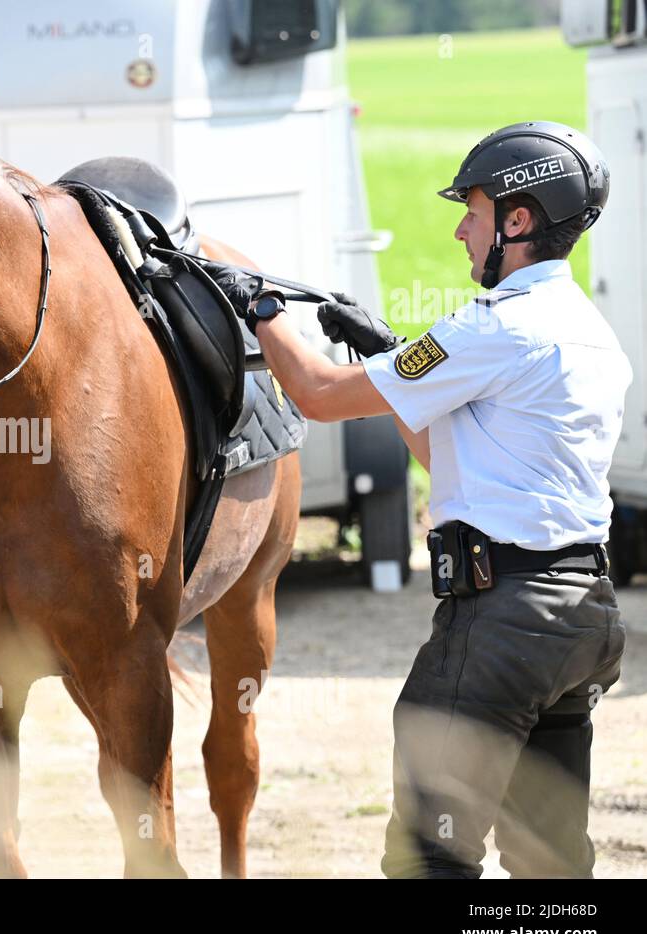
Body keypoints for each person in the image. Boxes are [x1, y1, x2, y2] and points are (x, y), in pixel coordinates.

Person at [215, 121, 630, 877]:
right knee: (552, 863)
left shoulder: (494, 326)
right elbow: (449, 457)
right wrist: (385, 354)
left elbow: (311, 392)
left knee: (428, 857)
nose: (459, 231)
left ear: (518, 219)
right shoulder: (589, 332)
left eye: (472, 211)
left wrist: (262, 313)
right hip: (579, 619)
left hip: (500, 623)